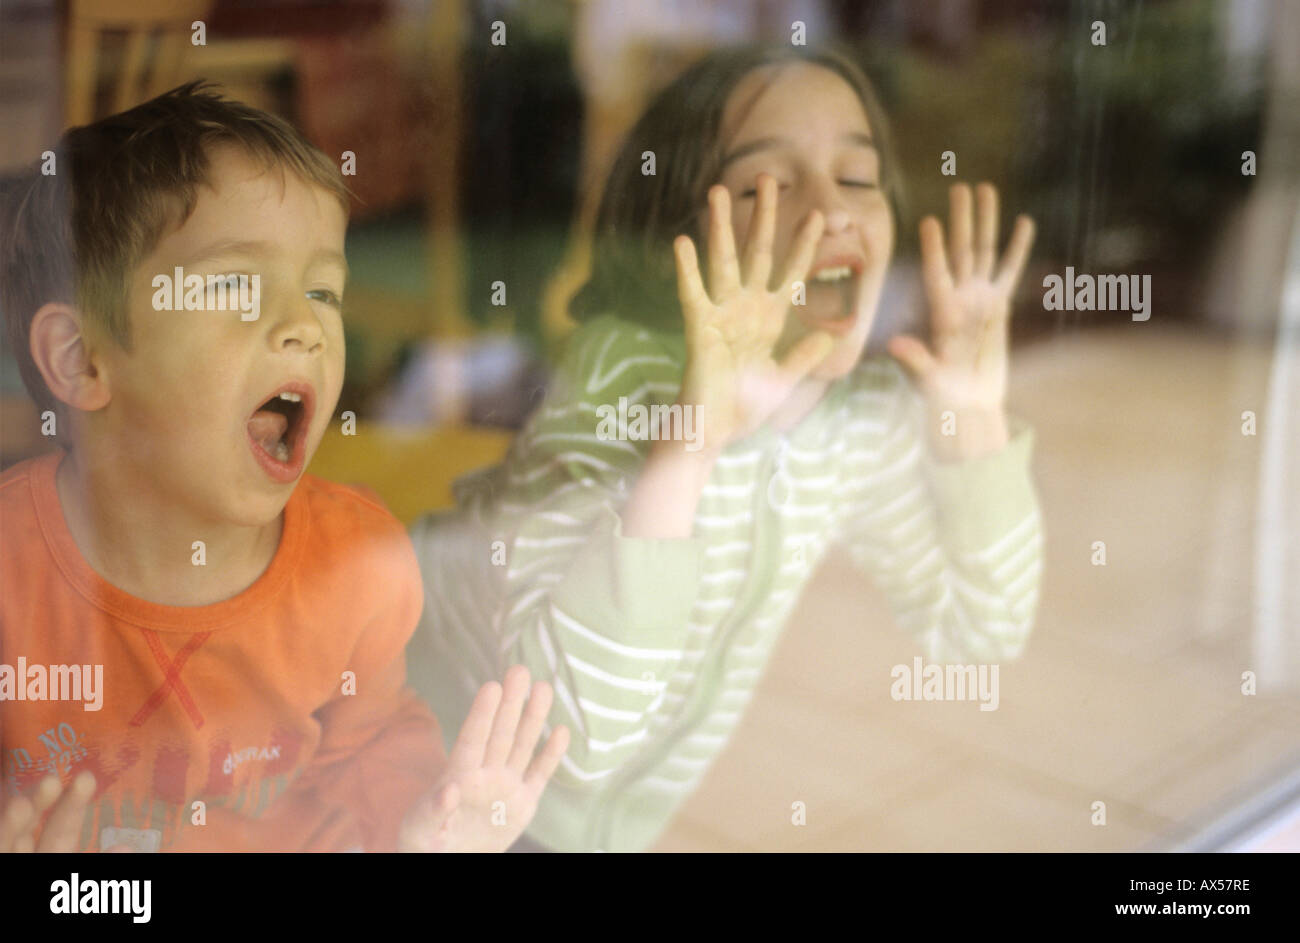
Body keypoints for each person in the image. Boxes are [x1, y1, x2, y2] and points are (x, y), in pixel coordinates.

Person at [406, 44, 1042, 853]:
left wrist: (973, 416)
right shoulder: (619, 384)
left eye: (856, 178)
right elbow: (574, 733)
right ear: (676, 238)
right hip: (428, 784)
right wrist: (690, 446)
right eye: (764, 186)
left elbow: (979, 630)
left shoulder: (852, 425)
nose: (832, 210)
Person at [0, 83, 567, 853]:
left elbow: (370, 746)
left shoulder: (355, 562)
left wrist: (424, 829)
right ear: (81, 359)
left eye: (323, 290)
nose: (305, 325)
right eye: (236, 284)